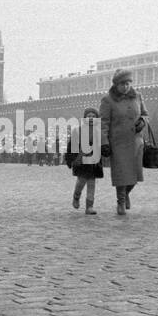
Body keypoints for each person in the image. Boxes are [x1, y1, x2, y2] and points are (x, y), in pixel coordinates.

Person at [100, 68, 149, 215]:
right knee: (122, 174)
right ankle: (120, 202)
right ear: (116, 84)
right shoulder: (107, 100)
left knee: (135, 174)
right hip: (118, 143)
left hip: (135, 141)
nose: (126, 86)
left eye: (128, 83)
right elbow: (103, 123)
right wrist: (104, 142)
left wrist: (143, 121)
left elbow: (145, 114)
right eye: (122, 83)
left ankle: (126, 193)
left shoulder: (138, 96)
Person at [65, 107, 103, 214]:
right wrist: (70, 159)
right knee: (81, 181)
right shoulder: (78, 130)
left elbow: (104, 144)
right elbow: (71, 145)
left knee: (91, 183)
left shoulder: (100, 131)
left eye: (93, 116)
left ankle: (89, 207)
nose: (91, 118)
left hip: (94, 162)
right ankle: (76, 196)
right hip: (81, 160)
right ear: (85, 118)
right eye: (89, 116)